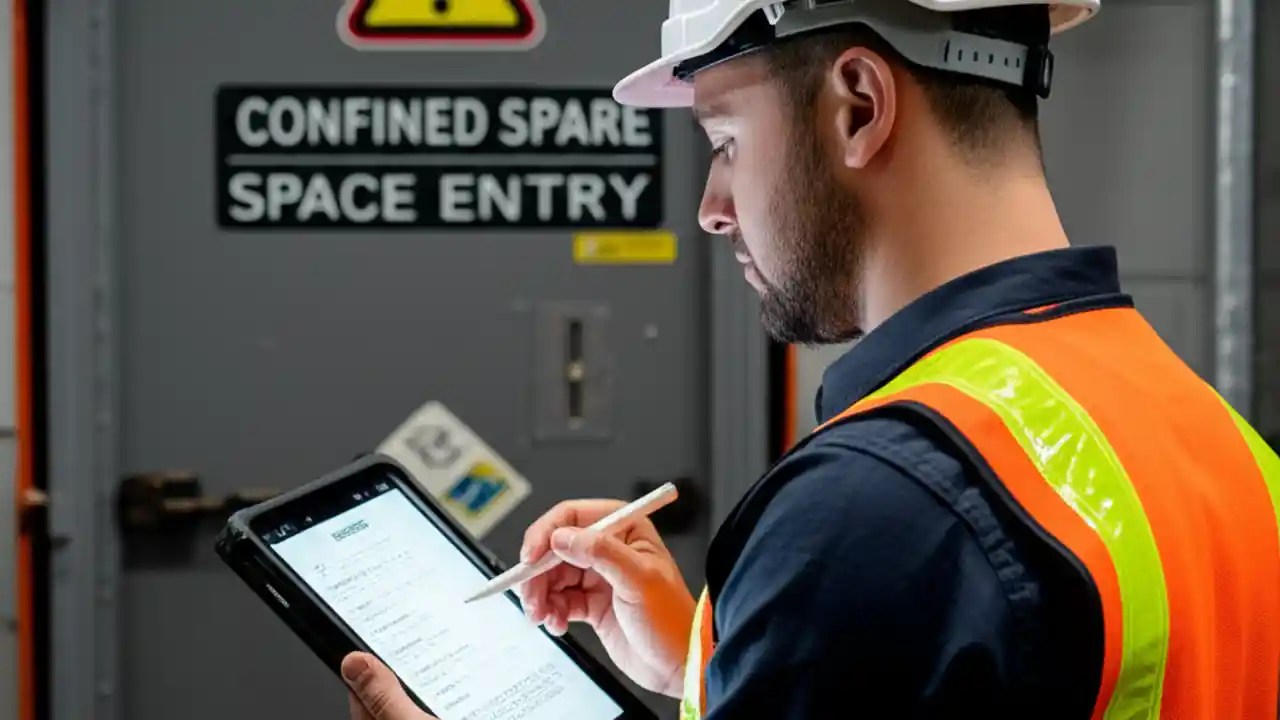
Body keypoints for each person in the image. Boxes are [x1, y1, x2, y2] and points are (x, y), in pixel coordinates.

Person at [343, 0, 1280, 718]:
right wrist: (714, 664)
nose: (713, 206)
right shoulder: (1203, 429)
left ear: (860, 106)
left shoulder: (880, 506)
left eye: (724, 143)